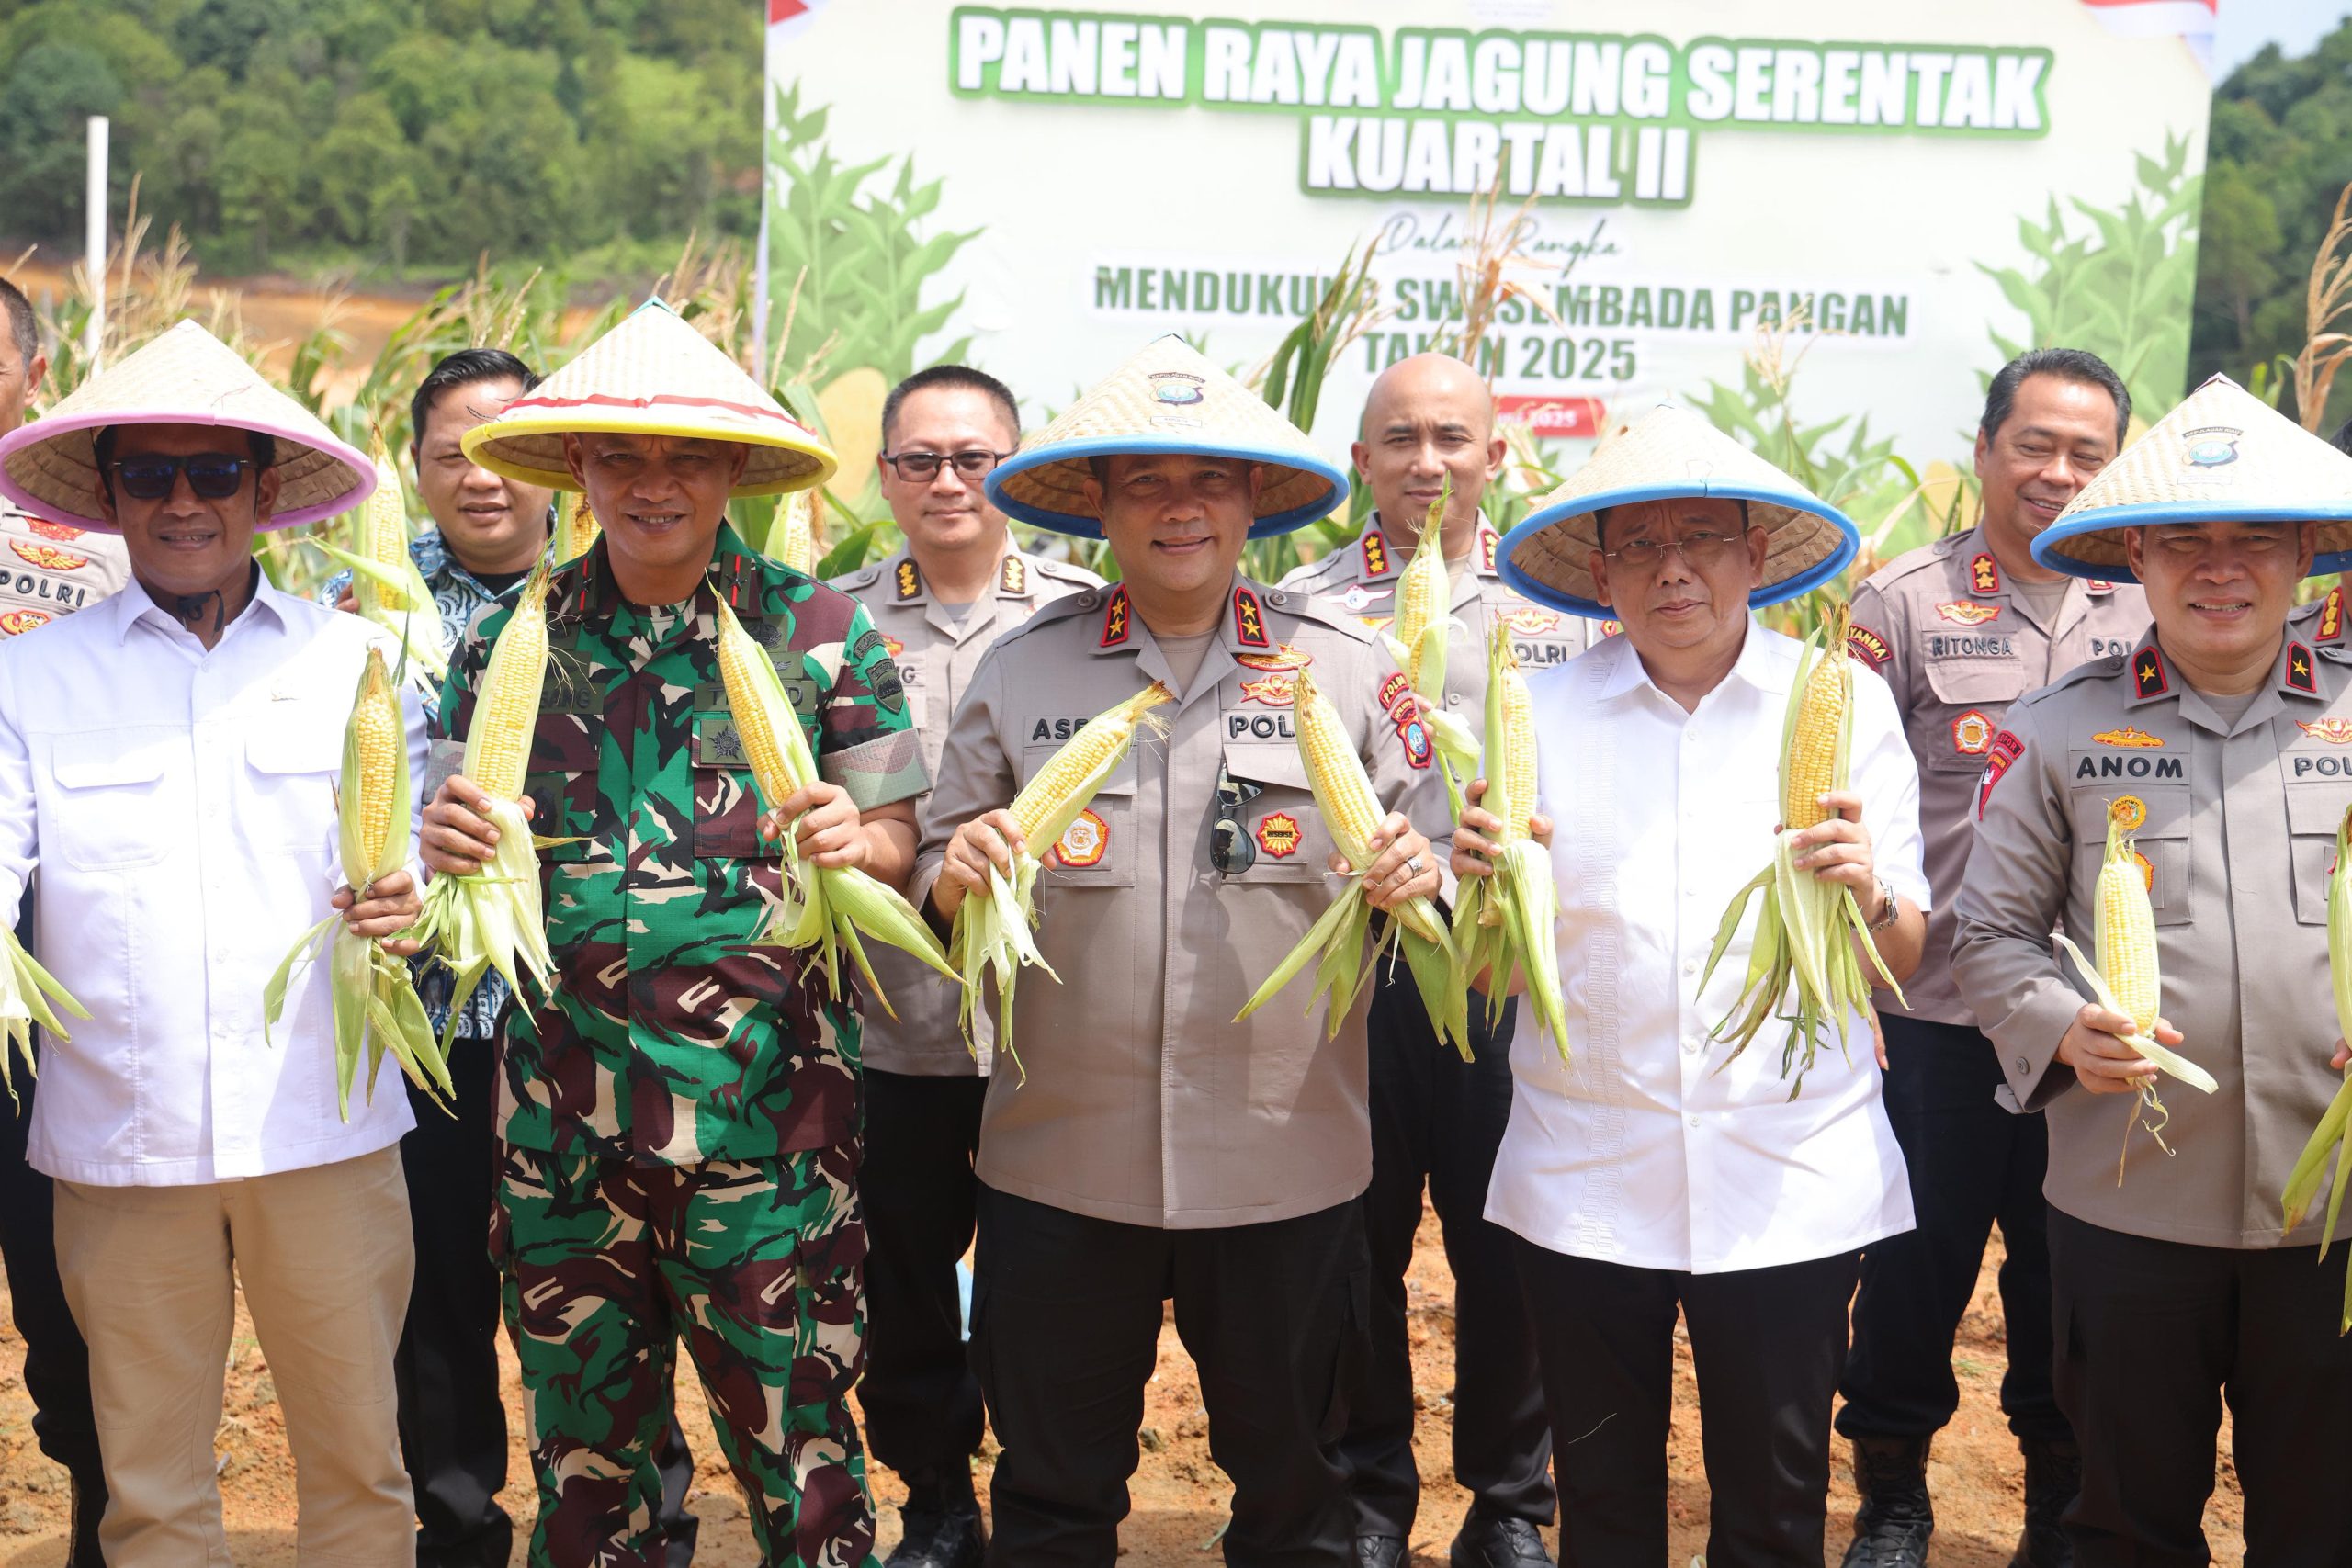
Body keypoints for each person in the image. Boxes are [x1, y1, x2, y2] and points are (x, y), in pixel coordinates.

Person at [917, 333, 1449, 1568]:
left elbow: (1437, 861)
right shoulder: (1024, 665)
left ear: (1253, 499)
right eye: (1145, 483)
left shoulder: (1347, 668)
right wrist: (956, 865)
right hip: (1062, 1165)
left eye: (1210, 479)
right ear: (1099, 506)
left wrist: (1425, 872)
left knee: (1298, 1496)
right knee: (1051, 1497)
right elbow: (938, 866)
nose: (1180, 507)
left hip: (1284, 1164)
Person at [423, 298, 923, 1568]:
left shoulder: (822, 631)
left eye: (686, 456)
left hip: (770, 1131)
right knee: (588, 1481)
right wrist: (442, 845)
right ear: (577, 469)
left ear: (734, 469)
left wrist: (853, 838)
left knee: (805, 1471)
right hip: (562, 1137)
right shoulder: (507, 642)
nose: (653, 484)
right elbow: (457, 850)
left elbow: (897, 844)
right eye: (621, 457)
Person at [1468, 405, 1928, 1567]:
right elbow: (1489, 973)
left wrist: (1866, 891)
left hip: (1786, 1174)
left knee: (1774, 1507)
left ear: (1754, 555)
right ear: (1600, 575)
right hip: (1585, 1175)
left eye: (1701, 539)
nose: (1671, 569)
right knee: (1604, 1505)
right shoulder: (1537, 716)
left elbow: (1906, 953)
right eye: (1637, 545)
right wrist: (1480, 899)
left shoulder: (1842, 702)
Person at [0, 320, 427, 1565]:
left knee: (360, 1465)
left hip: (323, 1129)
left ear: (266, 490)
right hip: (122, 1138)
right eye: (149, 475)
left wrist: (414, 900)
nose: (183, 502)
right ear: (110, 495)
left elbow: (408, 858)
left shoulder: (358, 662)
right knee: (148, 1488)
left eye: (215, 473)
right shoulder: (32, 680)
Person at [1953, 373, 2352, 1565]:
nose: (2220, 568)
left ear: (2303, 556)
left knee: (2323, 1523)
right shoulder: (2058, 728)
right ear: (2136, 553)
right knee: (2126, 1523)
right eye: (2185, 540)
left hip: (2331, 1214)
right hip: (2127, 1206)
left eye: (2253, 540)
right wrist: (2059, 1023)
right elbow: (1990, 936)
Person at [325, 346, 705, 1568]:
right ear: (418, 468)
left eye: (500, 452)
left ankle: (646, 1513)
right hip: (436, 1015)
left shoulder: (628, 583)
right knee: (439, 1283)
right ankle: (458, 1519)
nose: (478, 477)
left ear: (552, 465)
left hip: (585, 1015)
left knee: (620, 1271)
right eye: (450, 454)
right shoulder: (357, 610)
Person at [1836, 348, 2149, 1568]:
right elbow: (1845, 802)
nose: (2057, 472)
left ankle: (2058, 1503)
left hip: (2093, 1020)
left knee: (2067, 1276)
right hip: (1936, 1014)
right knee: (1912, 1268)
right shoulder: (1899, 607)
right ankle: (1892, 1498)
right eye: (2035, 445)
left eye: (2086, 453)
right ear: (1983, 448)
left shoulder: (2153, 603)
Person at [1278, 353, 1587, 1568]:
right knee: (1356, 1239)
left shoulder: (1561, 603)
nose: (1427, 462)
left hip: (1502, 964)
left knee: (1506, 1237)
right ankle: (1368, 1498)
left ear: (1494, 455)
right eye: (1400, 440)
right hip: (1354, 965)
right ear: (1361, 460)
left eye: (1452, 438)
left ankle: (1509, 1503)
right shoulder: (1299, 606)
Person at [830, 364, 1099, 1568]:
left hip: (1051, 1034)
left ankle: (1047, 1497)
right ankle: (936, 1495)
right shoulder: (833, 625)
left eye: (974, 458)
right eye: (919, 460)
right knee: (903, 1283)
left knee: (1054, 1287)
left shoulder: (1084, 619)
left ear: (1014, 469)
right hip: (892, 1030)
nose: (947, 481)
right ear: (884, 476)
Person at [0, 274, 131, 1568]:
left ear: (33, 373)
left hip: (45, 964)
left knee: (56, 1269)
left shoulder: (98, 539)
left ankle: (102, 1492)